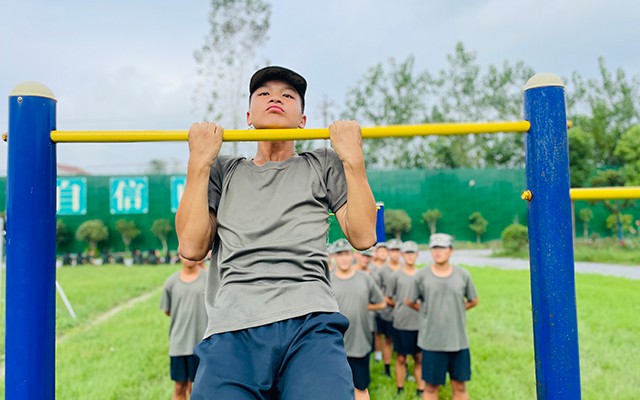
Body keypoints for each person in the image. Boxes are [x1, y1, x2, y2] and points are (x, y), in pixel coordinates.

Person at [176, 65, 377, 399]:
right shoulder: (224, 170)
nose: (276, 99)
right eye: (264, 93)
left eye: (288, 95)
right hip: (233, 325)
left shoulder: (322, 163)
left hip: (310, 322)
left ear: (302, 119)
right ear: (248, 115)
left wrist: (353, 158)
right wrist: (199, 161)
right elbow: (192, 246)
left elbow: (364, 236)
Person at [407, 234, 479, 400]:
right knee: (431, 388)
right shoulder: (421, 276)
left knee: (460, 386)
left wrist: (456, 310)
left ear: (451, 251)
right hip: (432, 342)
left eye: (442, 248)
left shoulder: (463, 275)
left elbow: (473, 300)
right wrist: (428, 311)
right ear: (431, 251)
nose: (438, 252)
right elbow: (410, 301)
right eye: (435, 248)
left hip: (458, 341)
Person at [330, 239, 386, 400]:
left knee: (360, 388)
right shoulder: (327, 280)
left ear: (353, 255)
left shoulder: (365, 278)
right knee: (334, 388)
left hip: (359, 342)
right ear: (334, 257)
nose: (344, 258)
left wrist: (362, 307)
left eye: (346, 253)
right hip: (334, 343)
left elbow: (381, 303)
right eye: (339, 254)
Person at [160, 255, 208, 400]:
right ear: (179, 256)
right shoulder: (171, 282)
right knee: (179, 386)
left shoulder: (208, 279)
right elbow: (168, 311)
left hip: (201, 344)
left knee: (199, 389)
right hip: (179, 344)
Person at [388, 241, 425, 397]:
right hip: (401, 323)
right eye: (407, 253)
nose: (410, 256)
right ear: (403, 256)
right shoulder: (395, 275)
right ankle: (400, 387)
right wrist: (400, 305)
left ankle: (420, 388)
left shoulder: (423, 275)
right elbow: (388, 298)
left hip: (419, 323)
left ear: (417, 255)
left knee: (419, 357)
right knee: (401, 357)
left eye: (412, 253)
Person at [377, 238, 403, 377]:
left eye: (397, 250)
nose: (395, 253)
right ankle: (387, 367)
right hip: (388, 311)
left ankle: (403, 366)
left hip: (404, 313)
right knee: (387, 339)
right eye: (392, 250)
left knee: (402, 341)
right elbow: (378, 290)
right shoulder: (382, 270)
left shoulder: (406, 268)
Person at [369, 242, 388, 363]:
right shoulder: (371, 266)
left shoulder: (389, 267)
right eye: (380, 251)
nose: (382, 254)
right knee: (377, 330)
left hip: (387, 303)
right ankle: (377, 353)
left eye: (384, 251)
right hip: (374, 302)